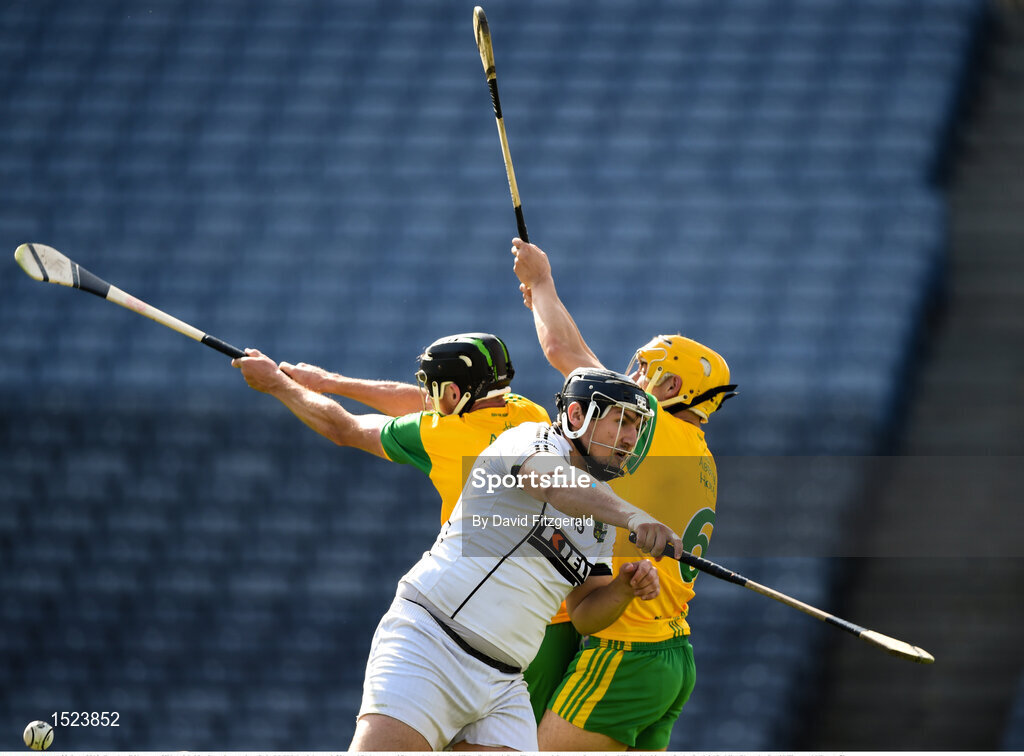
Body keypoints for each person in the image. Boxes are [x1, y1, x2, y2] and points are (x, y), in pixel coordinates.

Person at [350, 367, 684, 751]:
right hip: (432, 643)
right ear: (576, 415)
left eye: (637, 426)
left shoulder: (601, 520)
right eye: (621, 421)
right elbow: (554, 484)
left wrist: (624, 589)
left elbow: (584, 612)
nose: (630, 437)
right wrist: (634, 516)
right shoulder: (531, 439)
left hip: (505, 682)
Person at [511, 237, 737, 751]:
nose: (629, 381)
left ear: (671, 383)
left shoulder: (651, 424)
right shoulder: (701, 457)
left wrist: (542, 282)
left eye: (641, 371)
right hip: (675, 656)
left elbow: (566, 354)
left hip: (627, 651)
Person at [232, 332, 550, 522]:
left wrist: (275, 384)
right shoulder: (529, 413)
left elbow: (344, 429)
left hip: (487, 606)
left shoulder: (435, 435)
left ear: (455, 392)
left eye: (436, 388)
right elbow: (421, 403)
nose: (429, 397)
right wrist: (327, 382)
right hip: (554, 602)